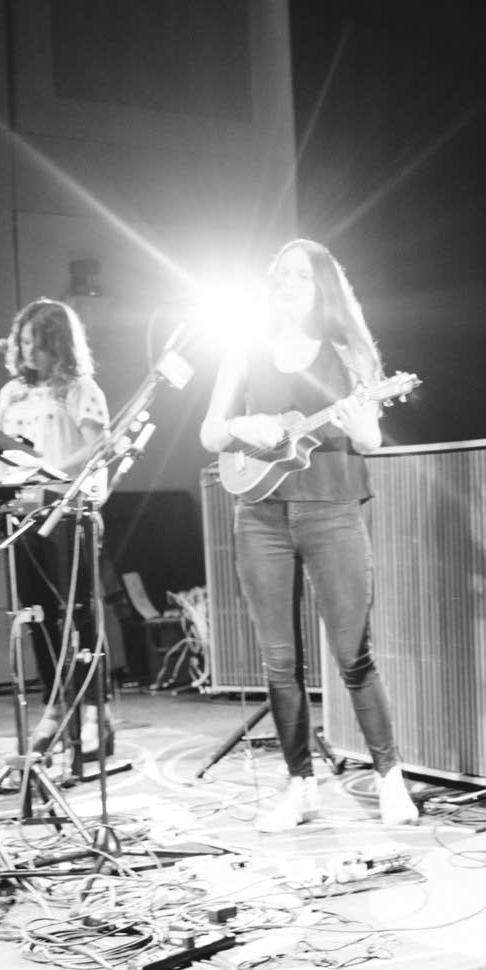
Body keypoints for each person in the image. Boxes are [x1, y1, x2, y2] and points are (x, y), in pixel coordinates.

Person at [199, 239, 419, 831]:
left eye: (302, 276)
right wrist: (245, 422)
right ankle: (300, 785)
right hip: (261, 513)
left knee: (353, 654)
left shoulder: (347, 352)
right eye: (281, 275)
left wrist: (360, 422)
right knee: (279, 661)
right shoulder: (245, 349)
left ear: (324, 286)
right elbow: (212, 433)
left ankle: (390, 778)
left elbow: (371, 440)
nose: (289, 284)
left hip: (332, 509)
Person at [0, 297, 110, 770]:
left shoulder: (80, 388)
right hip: (22, 513)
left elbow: (99, 444)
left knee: (78, 615)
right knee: (37, 614)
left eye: (39, 347)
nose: (29, 355)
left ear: (60, 347)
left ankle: (96, 713)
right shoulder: (10, 394)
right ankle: (54, 706)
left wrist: (51, 473)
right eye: (23, 345)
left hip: (69, 509)